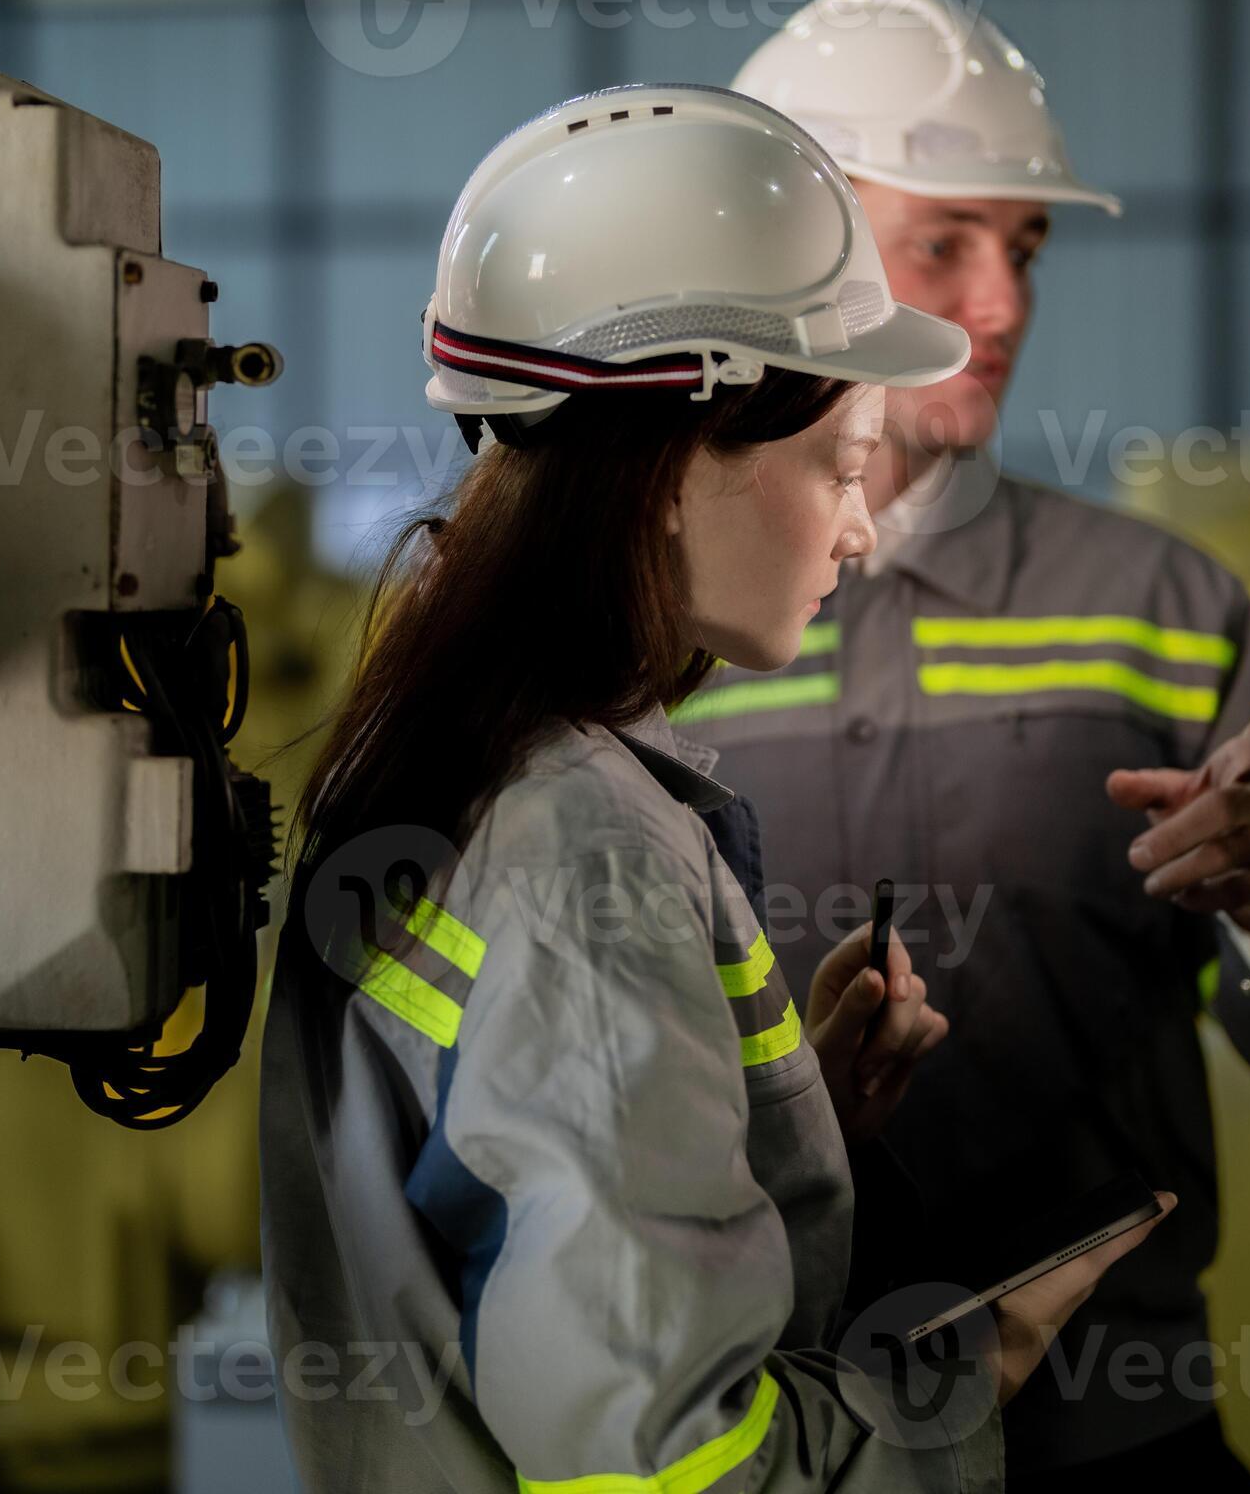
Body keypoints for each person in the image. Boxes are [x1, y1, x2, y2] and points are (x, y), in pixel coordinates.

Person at [260, 82, 1174, 1493]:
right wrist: (962, 1370)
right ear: (673, 465)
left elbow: (503, 1190)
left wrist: (775, 1118)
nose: (862, 531)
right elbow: (681, 1463)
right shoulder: (583, 853)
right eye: (842, 466)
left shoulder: (462, 764)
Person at [692, 0, 1250, 1488]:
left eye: (1023, 248)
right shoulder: (660, 632)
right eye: (944, 242)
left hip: (1116, 1432)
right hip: (765, 1439)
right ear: (791, 261)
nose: (1006, 300)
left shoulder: (1163, 607)